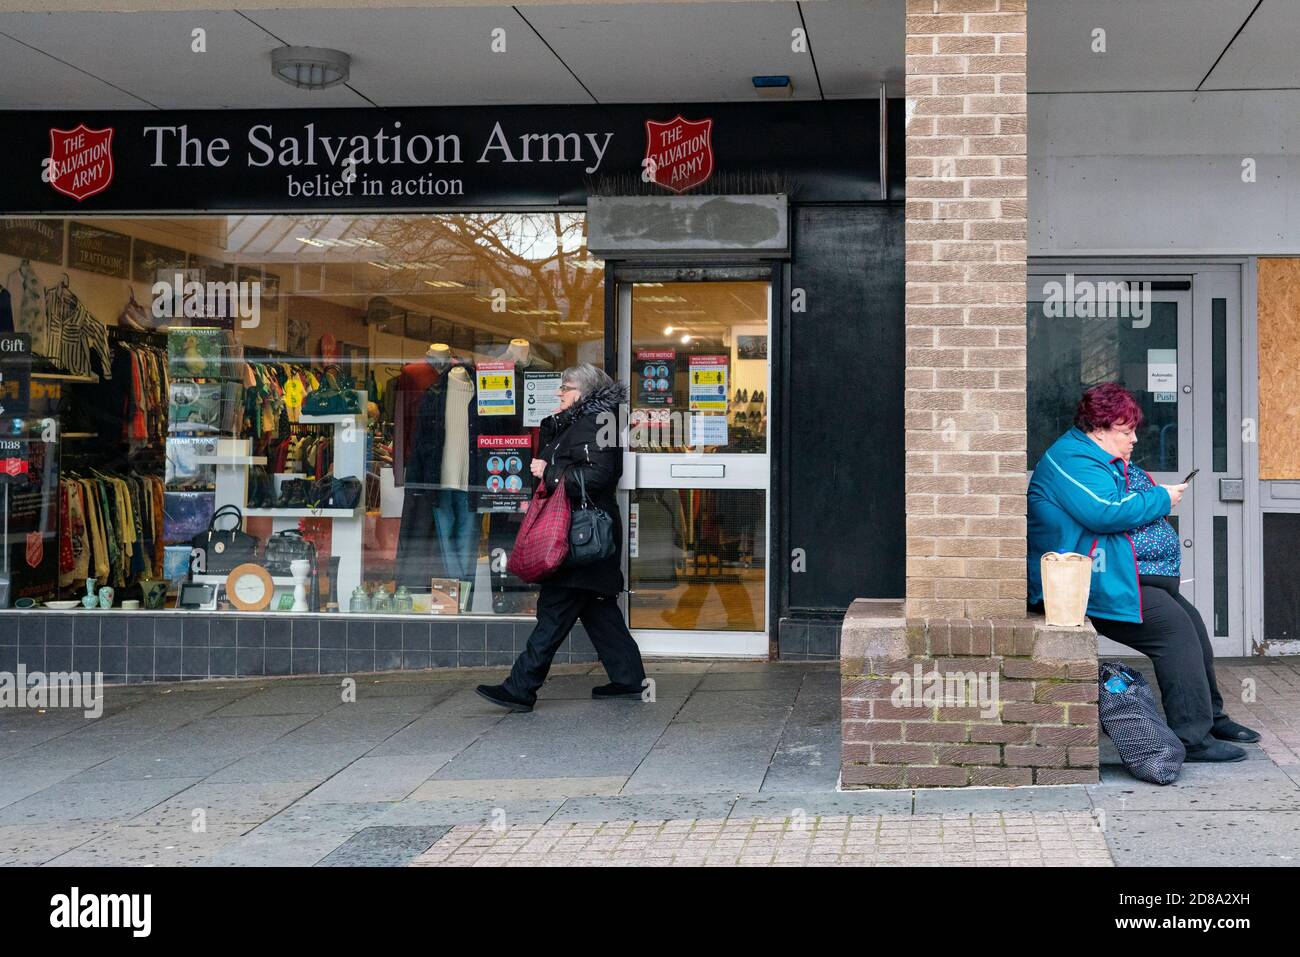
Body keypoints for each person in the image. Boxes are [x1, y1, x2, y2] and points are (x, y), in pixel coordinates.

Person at [1027, 382, 1259, 761]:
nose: (1134, 438)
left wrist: (1152, 498)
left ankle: (1211, 717)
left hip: (1117, 577)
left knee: (1193, 626)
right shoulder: (1072, 459)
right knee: (1175, 633)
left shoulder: (1100, 456)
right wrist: (1161, 498)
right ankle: (1192, 739)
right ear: (1098, 428)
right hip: (1084, 583)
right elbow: (1105, 512)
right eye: (1126, 430)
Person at [476, 363, 647, 713]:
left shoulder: (601, 421)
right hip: (585, 535)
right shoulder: (581, 420)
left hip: (581, 535)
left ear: (583, 392)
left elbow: (600, 474)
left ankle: (521, 687)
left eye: (566, 388)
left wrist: (550, 473)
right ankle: (629, 679)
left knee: (554, 611)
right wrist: (555, 425)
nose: (559, 393)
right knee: (599, 610)